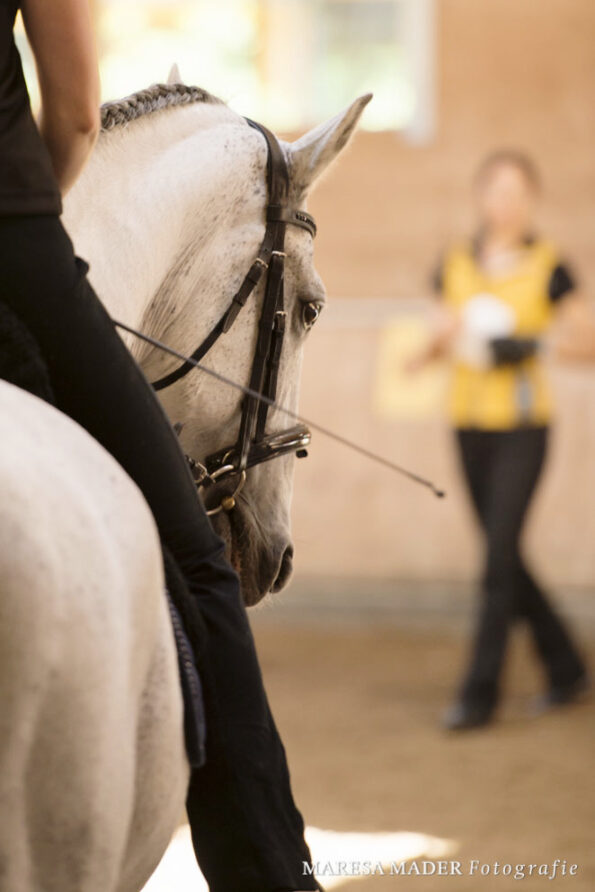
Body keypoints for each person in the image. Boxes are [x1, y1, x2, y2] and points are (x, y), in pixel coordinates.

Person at [0, 0, 319, 888]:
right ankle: (261, 867)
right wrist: (32, 206)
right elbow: (71, 113)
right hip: (11, 253)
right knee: (197, 561)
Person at [411, 150, 591, 731]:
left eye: (518, 193)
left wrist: (530, 345)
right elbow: (426, 353)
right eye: (497, 191)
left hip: (524, 429)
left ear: (530, 201)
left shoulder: (549, 264)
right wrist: (440, 339)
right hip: (468, 426)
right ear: (481, 197)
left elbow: (585, 344)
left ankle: (478, 693)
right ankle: (567, 667)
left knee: (495, 563)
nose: (506, 203)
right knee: (504, 554)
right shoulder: (456, 263)